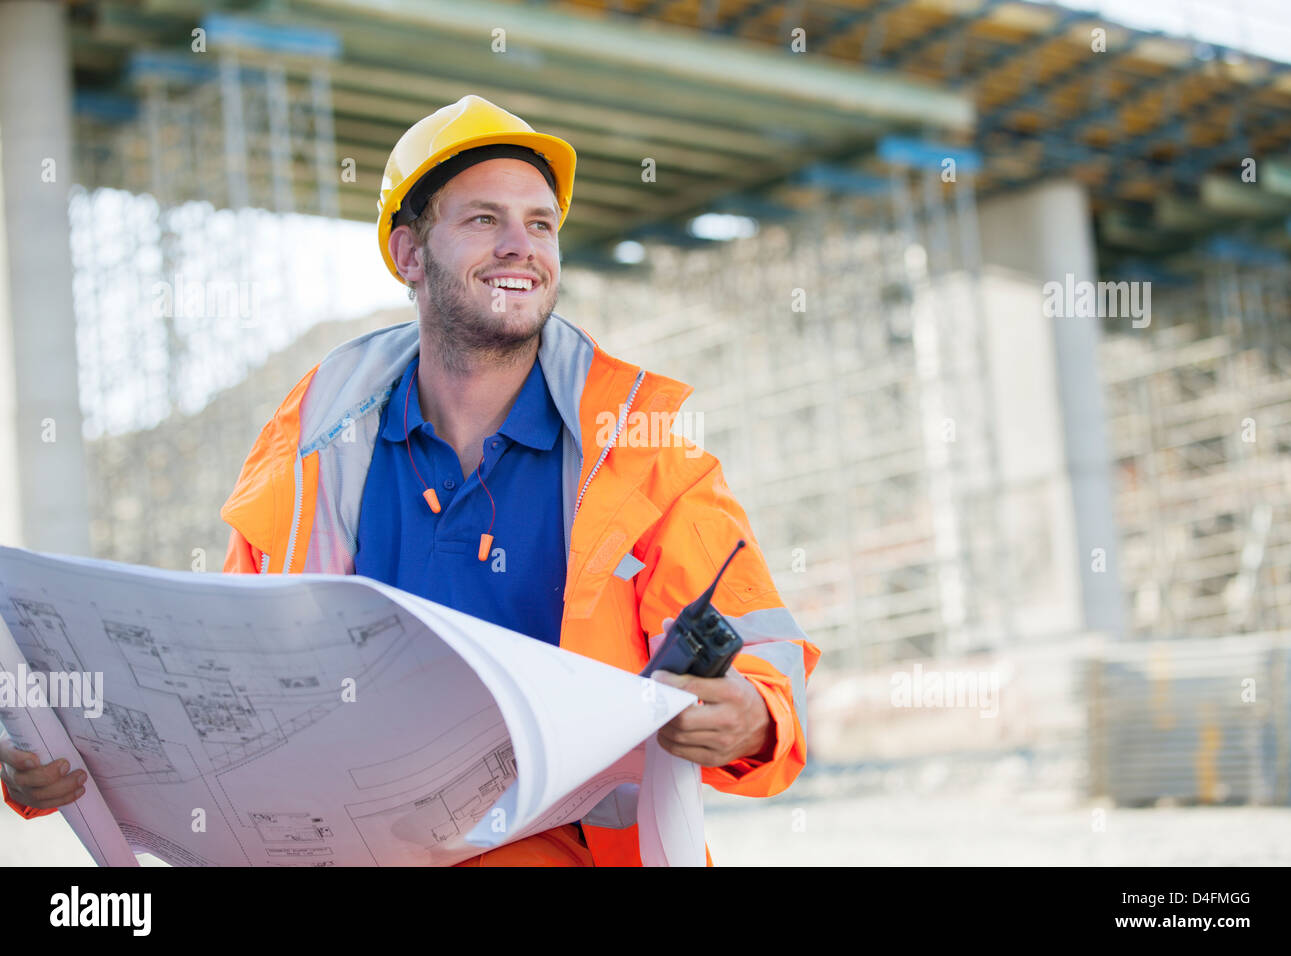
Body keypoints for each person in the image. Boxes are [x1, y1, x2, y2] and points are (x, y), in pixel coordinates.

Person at [1, 94, 820, 866]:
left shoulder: (642, 449)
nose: (521, 246)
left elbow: (763, 654)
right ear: (409, 253)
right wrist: (52, 752)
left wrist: (756, 716)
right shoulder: (310, 449)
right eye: (485, 220)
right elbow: (218, 704)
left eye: (541, 224)